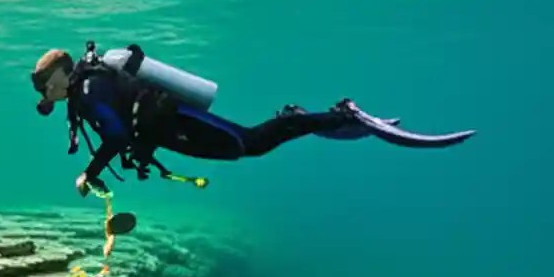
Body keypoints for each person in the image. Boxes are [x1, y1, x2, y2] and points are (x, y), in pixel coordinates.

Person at [30, 43, 474, 197]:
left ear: (63, 74)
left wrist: (89, 173)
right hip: (171, 131)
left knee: (249, 143)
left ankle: (340, 113)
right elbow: (123, 132)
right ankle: (299, 119)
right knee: (249, 146)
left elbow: (115, 134)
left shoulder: (87, 91)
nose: (44, 93)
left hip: (178, 121)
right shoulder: (83, 93)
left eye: (45, 84)